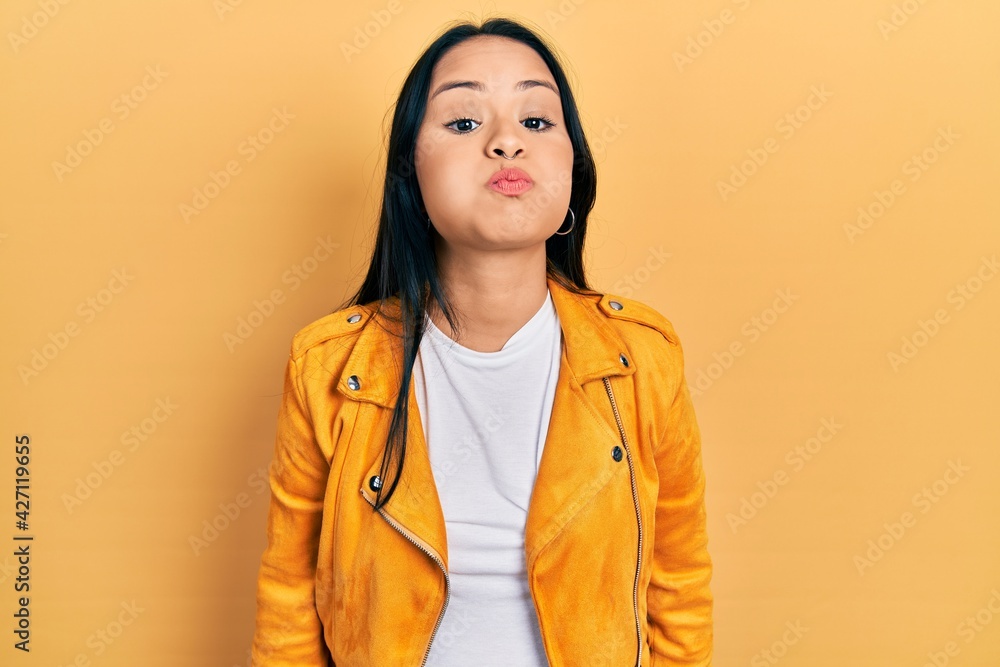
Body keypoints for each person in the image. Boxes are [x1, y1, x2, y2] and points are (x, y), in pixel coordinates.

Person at [251, 16, 712, 666]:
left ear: (572, 166)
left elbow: (679, 596)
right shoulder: (327, 368)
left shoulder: (644, 359)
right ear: (410, 168)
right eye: (465, 122)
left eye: (536, 121)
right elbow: (289, 614)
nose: (506, 143)